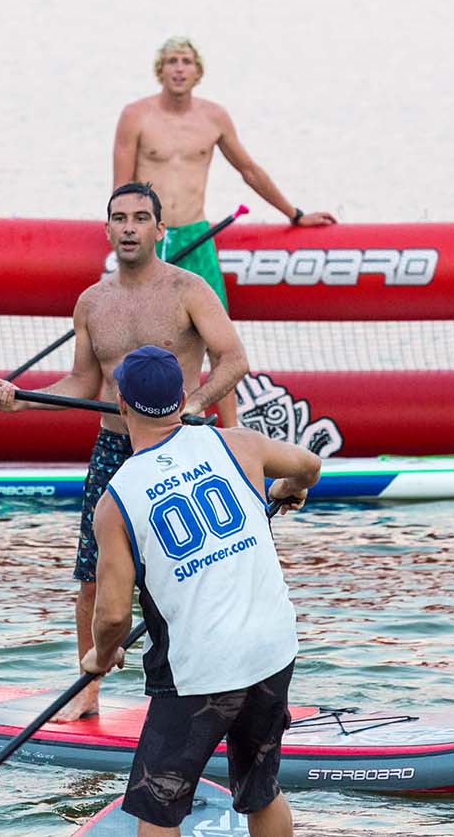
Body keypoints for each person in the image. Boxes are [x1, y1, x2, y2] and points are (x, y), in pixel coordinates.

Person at [0, 182, 249, 722]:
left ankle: (216, 683)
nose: (128, 227)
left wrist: (196, 401)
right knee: (92, 576)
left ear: (159, 229)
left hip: (179, 446)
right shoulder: (92, 302)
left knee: (196, 572)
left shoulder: (189, 290)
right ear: (107, 230)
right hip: (113, 448)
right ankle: (89, 687)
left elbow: (233, 359)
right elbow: (83, 383)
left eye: (139, 218)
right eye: (118, 218)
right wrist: (24, 403)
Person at [83, 344, 320, 837]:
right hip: (273, 651)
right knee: (260, 789)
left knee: (158, 807)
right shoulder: (239, 445)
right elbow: (309, 466)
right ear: (186, 398)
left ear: (121, 403)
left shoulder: (115, 502)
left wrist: (100, 656)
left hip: (200, 671)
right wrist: (280, 489)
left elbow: (111, 617)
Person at [113, 36, 336, 424]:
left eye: (186, 61)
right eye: (171, 61)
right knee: (149, 340)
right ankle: (143, 424)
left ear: (198, 71)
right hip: (155, 239)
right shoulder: (136, 115)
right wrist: (127, 237)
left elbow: (248, 170)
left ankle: (231, 429)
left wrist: (294, 214)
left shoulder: (214, 117)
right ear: (159, 70)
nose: (179, 68)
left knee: (218, 338)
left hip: (198, 237)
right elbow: (122, 188)